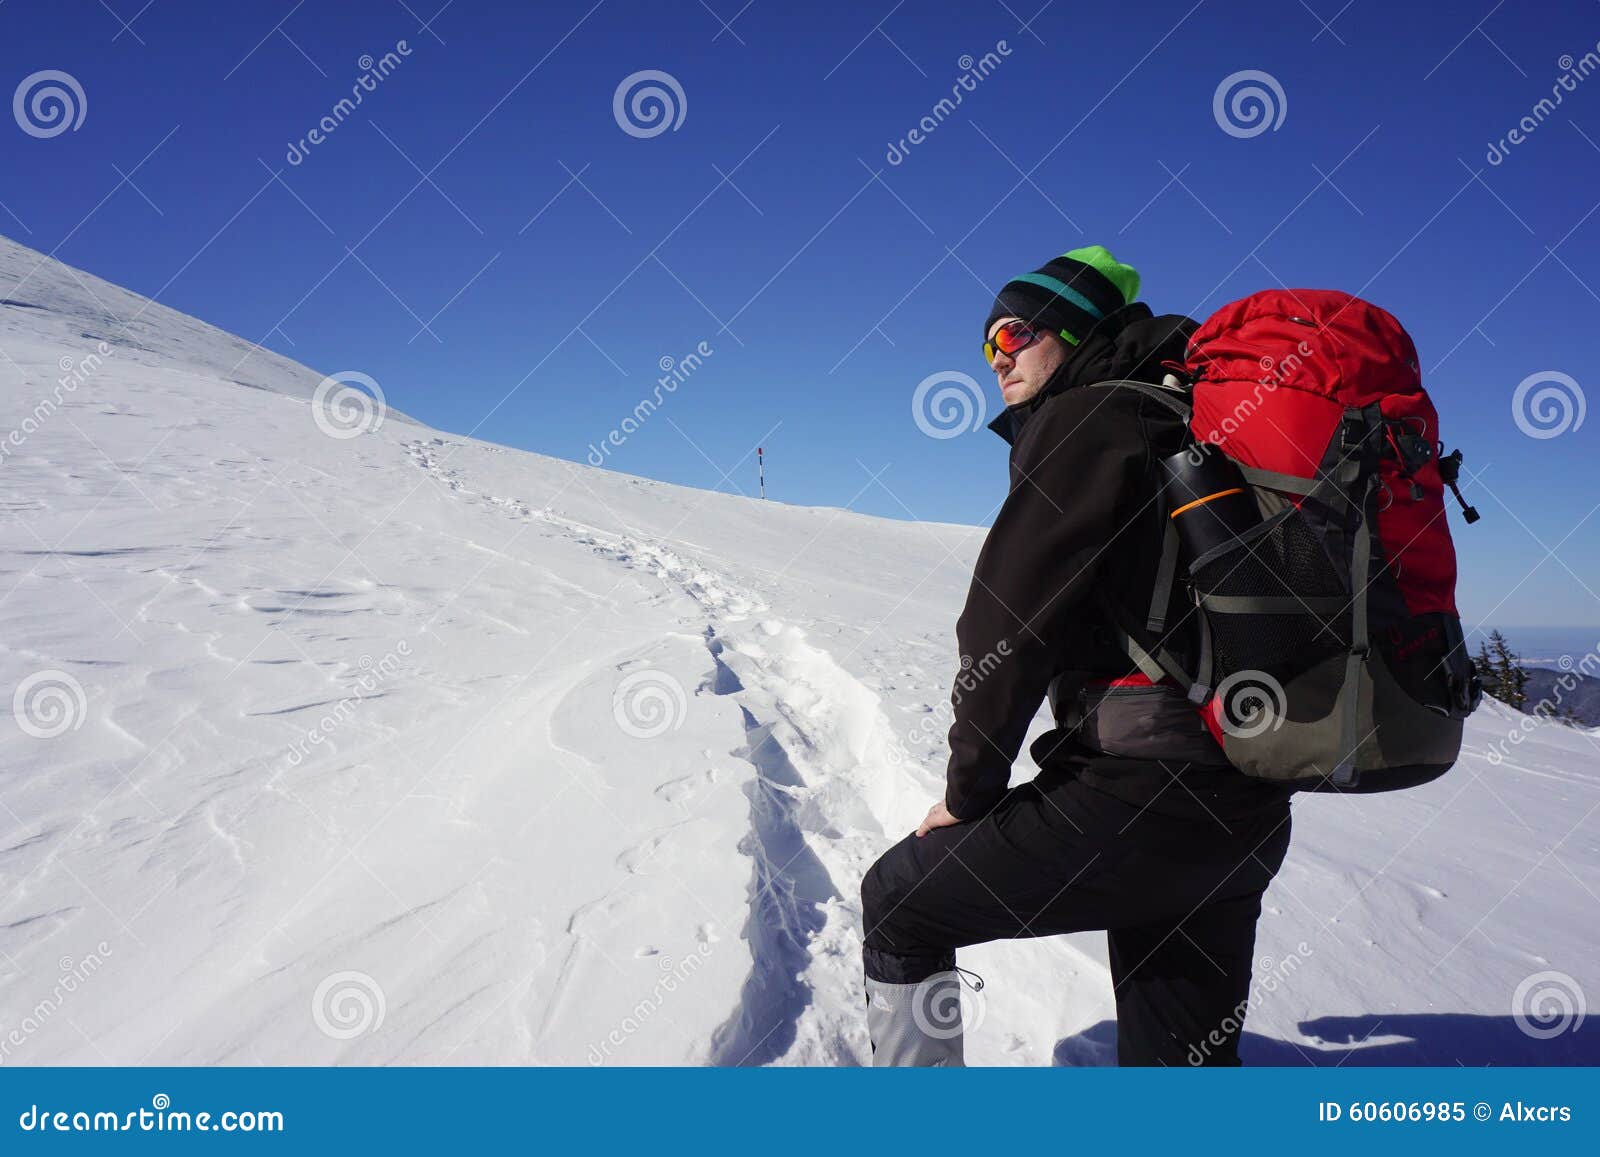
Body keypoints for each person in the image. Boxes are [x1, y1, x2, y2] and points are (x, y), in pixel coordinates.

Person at [860, 245, 1296, 1067]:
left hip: (1139, 799)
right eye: (987, 344)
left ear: (1074, 330)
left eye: (1013, 333)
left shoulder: (1087, 419)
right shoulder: (1186, 415)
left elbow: (1004, 627)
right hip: (1245, 806)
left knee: (898, 901)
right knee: (1181, 1066)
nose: (997, 357)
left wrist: (967, 793)